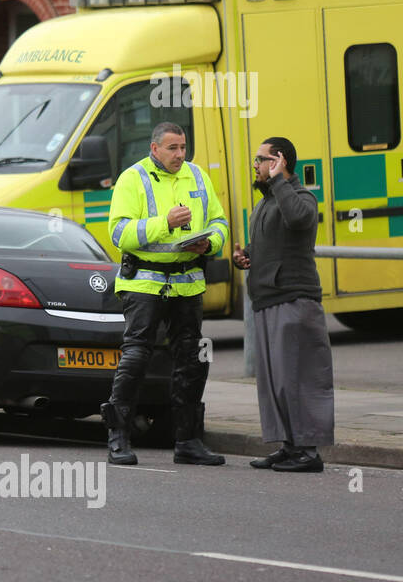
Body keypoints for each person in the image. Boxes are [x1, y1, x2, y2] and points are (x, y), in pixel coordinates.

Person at [103, 121, 229, 466]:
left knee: (192, 361)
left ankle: (188, 441)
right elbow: (119, 233)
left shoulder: (197, 176)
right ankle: (118, 438)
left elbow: (219, 221)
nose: (180, 155)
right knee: (136, 358)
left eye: (183, 147)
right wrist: (166, 223)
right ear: (154, 148)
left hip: (188, 282)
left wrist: (210, 243)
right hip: (144, 283)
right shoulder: (133, 178)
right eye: (172, 148)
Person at [232, 138, 333, 473]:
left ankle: (308, 451)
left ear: (279, 162)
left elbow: (299, 220)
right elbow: (272, 240)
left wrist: (279, 181)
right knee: (276, 381)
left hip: (294, 299)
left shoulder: (301, 197)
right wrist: (246, 255)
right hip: (267, 299)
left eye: (262, 160)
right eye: (257, 160)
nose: (256, 166)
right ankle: (289, 446)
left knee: (299, 377)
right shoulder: (266, 203)